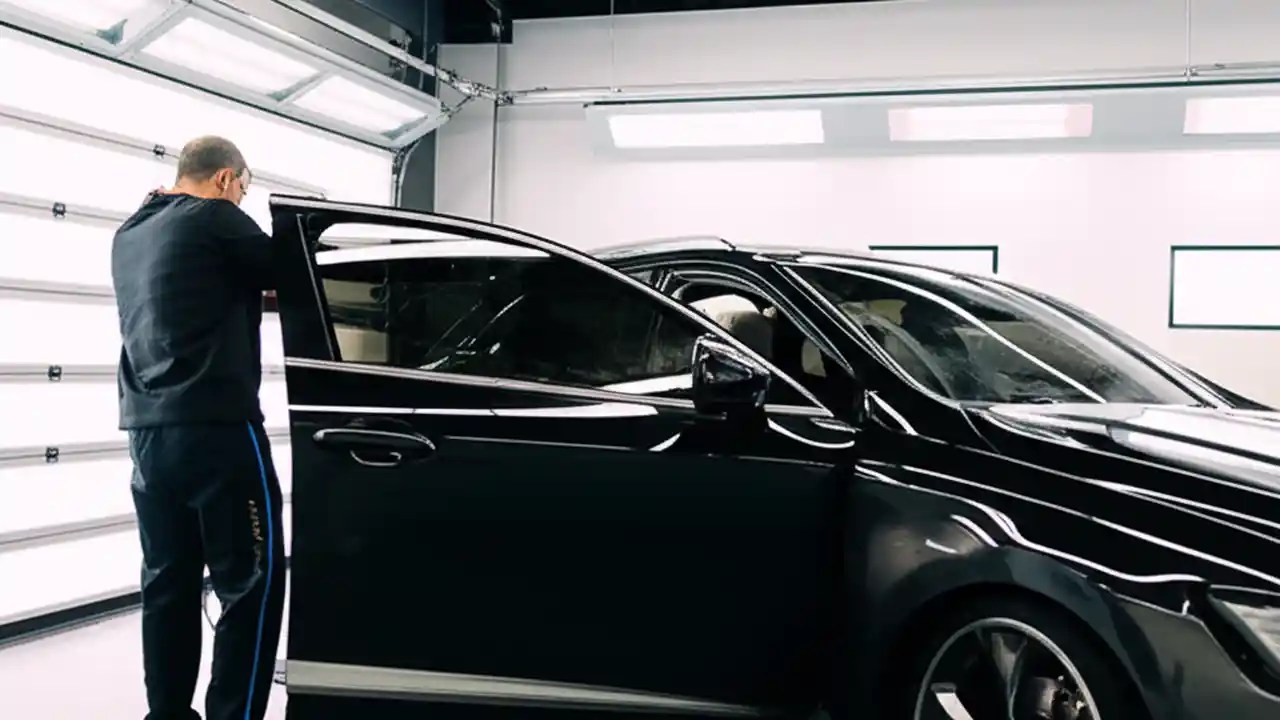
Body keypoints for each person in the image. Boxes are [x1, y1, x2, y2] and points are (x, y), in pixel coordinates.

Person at [111, 136, 285, 720]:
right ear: (225, 180)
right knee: (249, 585)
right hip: (217, 432)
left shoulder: (130, 233)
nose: (241, 201)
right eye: (244, 190)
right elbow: (293, 273)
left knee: (168, 586)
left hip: (146, 435)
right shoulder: (215, 217)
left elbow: (191, 296)